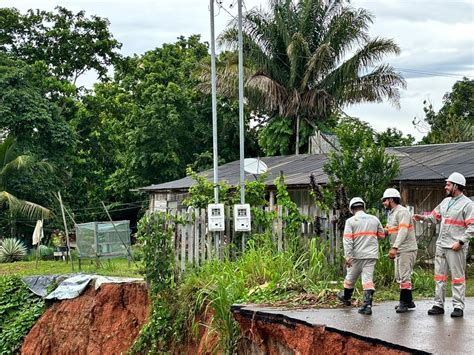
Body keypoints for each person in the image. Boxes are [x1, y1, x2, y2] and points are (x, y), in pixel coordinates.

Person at [413, 172, 474, 318]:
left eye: (448, 184)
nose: (445, 187)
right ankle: (438, 305)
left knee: (457, 278)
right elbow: (435, 217)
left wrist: (461, 242)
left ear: (456, 186)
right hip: (441, 245)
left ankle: (458, 306)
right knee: (439, 277)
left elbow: (472, 227)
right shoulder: (445, 202)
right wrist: (422, 217)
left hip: (455, 246)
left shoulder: (468, 204)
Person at [337, 197, 385, 315]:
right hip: (371, 255)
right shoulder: (374, 219)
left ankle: (346, 297)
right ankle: (367, 305)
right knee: (368, 280)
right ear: (363, 206)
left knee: (350, 279)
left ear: (352, 209)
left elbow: (347, 240)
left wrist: (347, 256)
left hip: (356, 256)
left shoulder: (351, 221)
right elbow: (382, 235)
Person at [382, 188, 418, 313]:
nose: (384, 203)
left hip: (406, 249)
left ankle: (403, 303)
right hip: (400, 249)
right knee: (400, 275)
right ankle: (409, 302)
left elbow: (403, 231)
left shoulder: (402, 212)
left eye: (385, 200)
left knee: (404, 276)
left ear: (391, 199)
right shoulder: (392, 213)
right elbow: (391, 230)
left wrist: (394, 247)